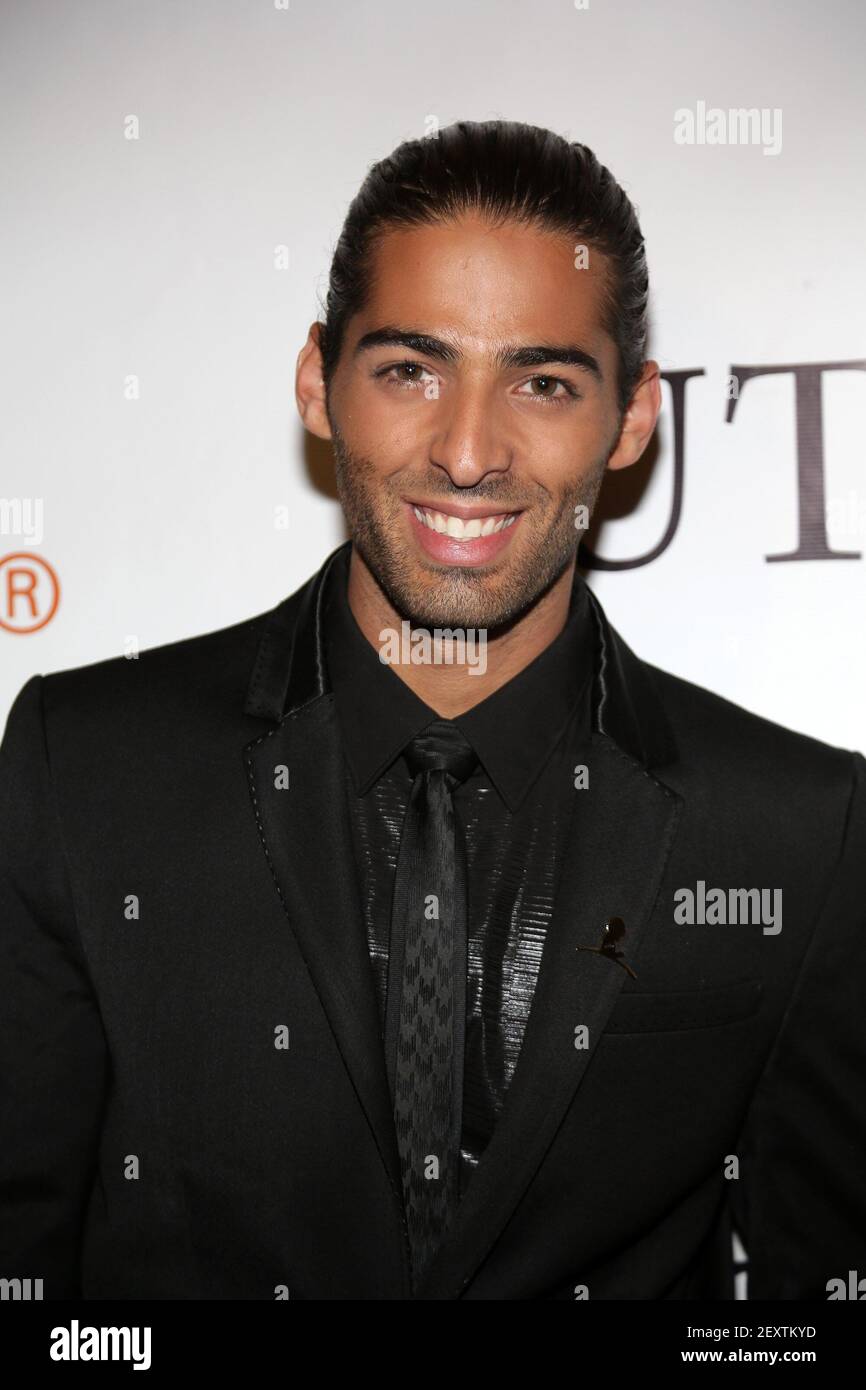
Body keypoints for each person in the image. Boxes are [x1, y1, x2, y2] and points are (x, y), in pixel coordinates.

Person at [1, 120, 864, 1301]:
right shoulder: (86, 769)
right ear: (318, 382)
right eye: (410, 369)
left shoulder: (792, 828)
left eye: (542, 382)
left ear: (631, 419)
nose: (467, 452)